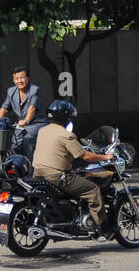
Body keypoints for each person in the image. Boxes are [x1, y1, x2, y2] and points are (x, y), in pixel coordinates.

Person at [31, 100, 115, 240]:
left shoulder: (42, 131)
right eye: (69, 117)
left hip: (38, 174)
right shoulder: (66, 135)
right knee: (93, 190)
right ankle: (104, 228)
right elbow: (85, 156)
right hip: (58, 177)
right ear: (65, 118)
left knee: (78, 177)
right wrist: (105, 157)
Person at [0, 66, 47, 157]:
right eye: (16, 78)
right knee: (14, 143)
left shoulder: (34, 90)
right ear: (13, 80)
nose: (19, 81)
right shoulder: (11, 91)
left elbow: (32, 107)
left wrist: (26, 120)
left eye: (22, 78)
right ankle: (18, 167)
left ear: (27, 78)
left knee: (27, 138)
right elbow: (4, 108)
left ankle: (31, 168)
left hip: (36, 123)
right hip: (22, 125)